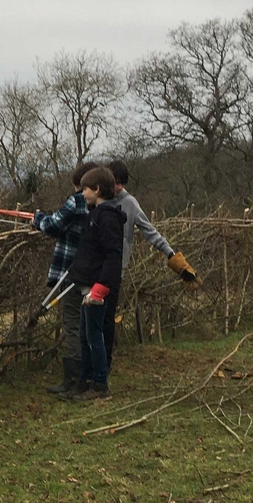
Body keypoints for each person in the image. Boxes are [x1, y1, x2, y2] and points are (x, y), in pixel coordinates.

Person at [104, 161, 199, 367]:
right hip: (94, 266)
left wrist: (171, 254)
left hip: (115, 269)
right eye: (115, 182)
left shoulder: (130, 203)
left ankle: (105, 363)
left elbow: (150, 232)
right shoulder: (99, 200)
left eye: (121, 183)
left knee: (107, 316)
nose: (118, 187)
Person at [32, 161, 98, 396]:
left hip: (71, 273)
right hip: (92, 274)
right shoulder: (102, 205)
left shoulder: (77, 201)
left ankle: (74, 379)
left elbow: (53, 225)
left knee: (72, 324)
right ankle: (88, 375)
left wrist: (37, 218)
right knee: (88, 325)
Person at [64, 167, 125, 400]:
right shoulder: (95, 215)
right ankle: (85, 380)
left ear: (97, 189)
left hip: (96, 288)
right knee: (84, 336)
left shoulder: (107, 218)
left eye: (85, 189)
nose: (82, 193)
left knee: (94, 337)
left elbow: (112, 255)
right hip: (87, 286)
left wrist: (100, 288)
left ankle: (100, 384)